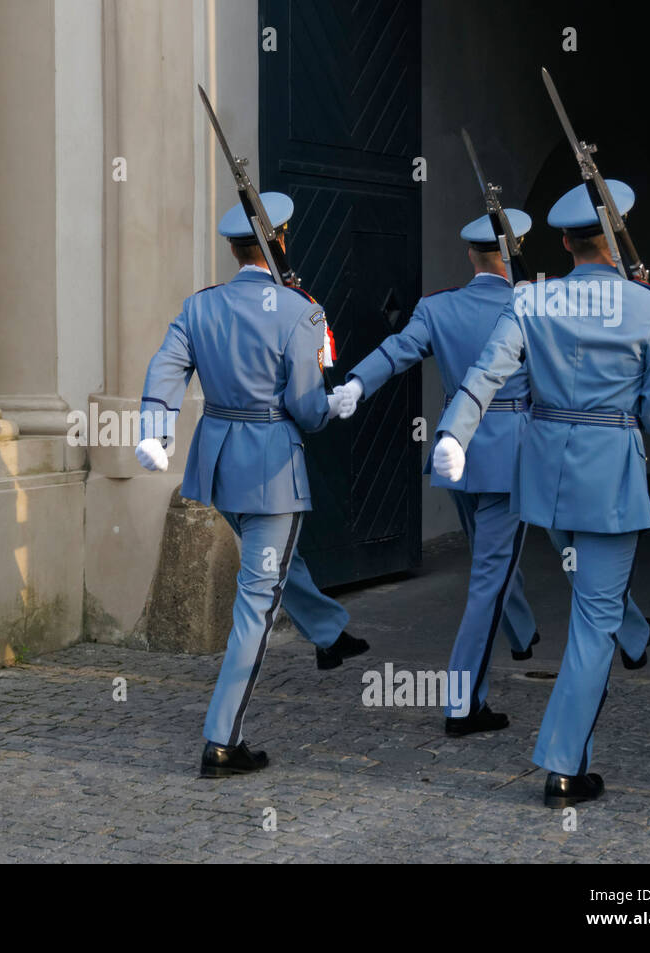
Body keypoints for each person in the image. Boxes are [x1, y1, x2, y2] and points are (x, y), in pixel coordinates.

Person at [432, 180, 650, 807]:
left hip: (543, 475)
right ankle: (565, 766)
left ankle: (625, 652)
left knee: (592, 601)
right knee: (595, 619)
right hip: (607, 479)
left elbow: (486, 372)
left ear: (566, 241)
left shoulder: (531, 302)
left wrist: (453, 434)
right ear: (615, 237)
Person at [134, 192, 363, 778]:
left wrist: (156, 430)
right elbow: (305, 410)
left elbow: (166, 366)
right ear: (279, 241)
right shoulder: (298, 310)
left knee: (276, 565)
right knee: (258, 599)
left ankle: (329, 633)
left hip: (219, 465)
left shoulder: (200, 306)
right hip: (271, 469)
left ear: (236, 249)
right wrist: (332, 406)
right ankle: (223, 739)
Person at [331, 209, 541, 734]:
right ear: (515, 251)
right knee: (488, 580)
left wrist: (356, 385)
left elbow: (397, 351)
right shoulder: (533, 308)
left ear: (471, 255)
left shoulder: (439, 306)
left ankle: (522, 632)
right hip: (511, 457)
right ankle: (462, 703)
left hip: (458, 453)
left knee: (491, 564)